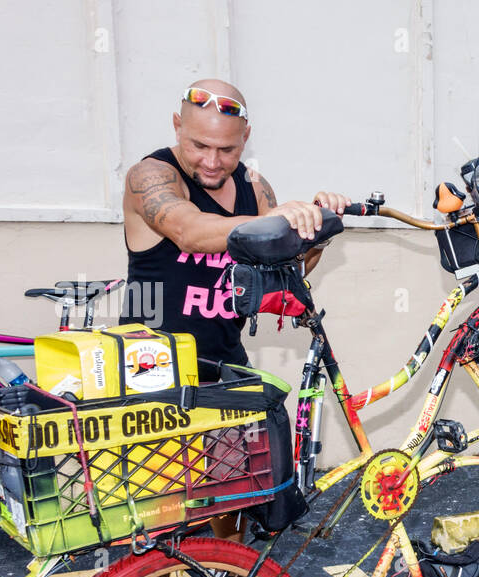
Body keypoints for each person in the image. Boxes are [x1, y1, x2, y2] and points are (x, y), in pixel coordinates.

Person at [122, 80, 350, 384]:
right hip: (149, 368)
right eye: (199, 146)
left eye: (227, 150)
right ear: (177, 126)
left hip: (225, 366)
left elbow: (286, 273)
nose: (212, 162)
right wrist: (269, 219)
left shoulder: (254, 186)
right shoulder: (151, 175)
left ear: (246, 137)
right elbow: (189, 232)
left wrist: (318, 231)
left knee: (274, 426)